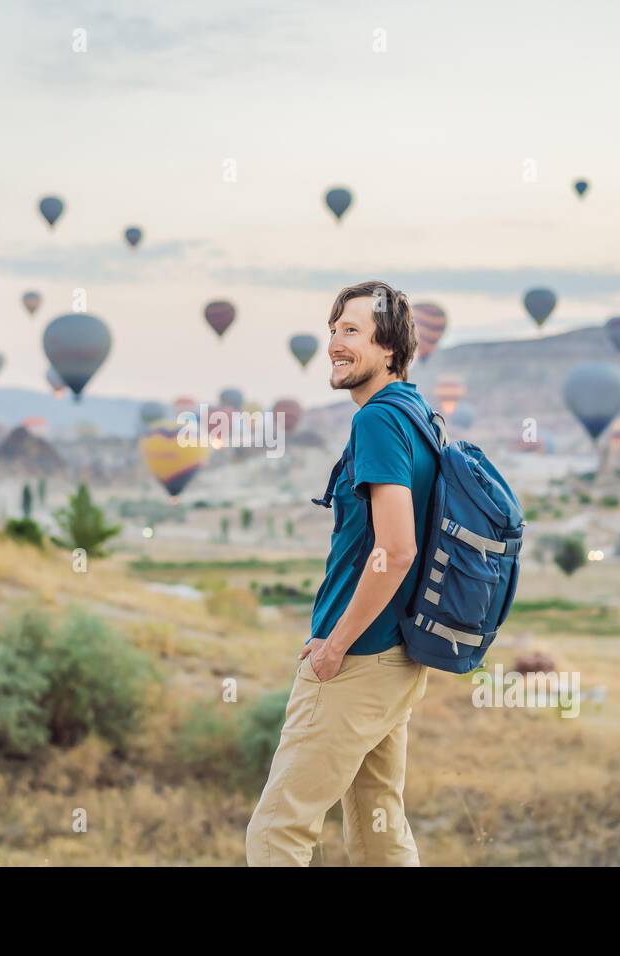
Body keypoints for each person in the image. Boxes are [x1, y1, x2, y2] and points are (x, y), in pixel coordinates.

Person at [246, 280, 438, 866]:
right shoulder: (419, 414)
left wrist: (335, 645)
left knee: (278, 831)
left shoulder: (378, 421)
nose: (334, 342)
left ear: (389, 349)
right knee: (379, 829)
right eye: (333, 329)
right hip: (398, 658)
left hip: (357, 661)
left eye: (351, 330)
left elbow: (397, 548)